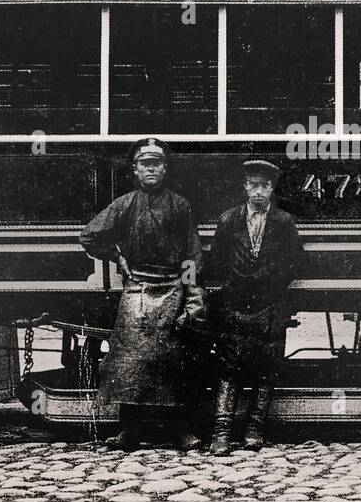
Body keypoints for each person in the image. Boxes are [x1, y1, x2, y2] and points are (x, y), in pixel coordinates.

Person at [79, 138, 206, 450]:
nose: (151, 169)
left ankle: (182, 430)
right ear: (135, 169)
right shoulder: (125, 204)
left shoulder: (180, 205)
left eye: (157, 163)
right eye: (145, 164)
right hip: (136, 290)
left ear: (165, 168)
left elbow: (191, 255)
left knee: (173, 360)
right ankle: (129, 430)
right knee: (129, 361)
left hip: (172, 288)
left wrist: (192, 294)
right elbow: (89, 236)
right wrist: (116, 255)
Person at [201, 159, 305, 455]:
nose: (259, 192)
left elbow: (294, 262)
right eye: (254, 185)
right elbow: (217, 261)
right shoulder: (229, 220)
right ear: (245, 187)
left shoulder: (284, 222)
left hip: (270, 305)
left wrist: (268, 280)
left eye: (265, 186)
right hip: (235, 303)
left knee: (266, 368)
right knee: (228, 366)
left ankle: (254, 429)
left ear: (272, 189)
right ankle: (221, 431)